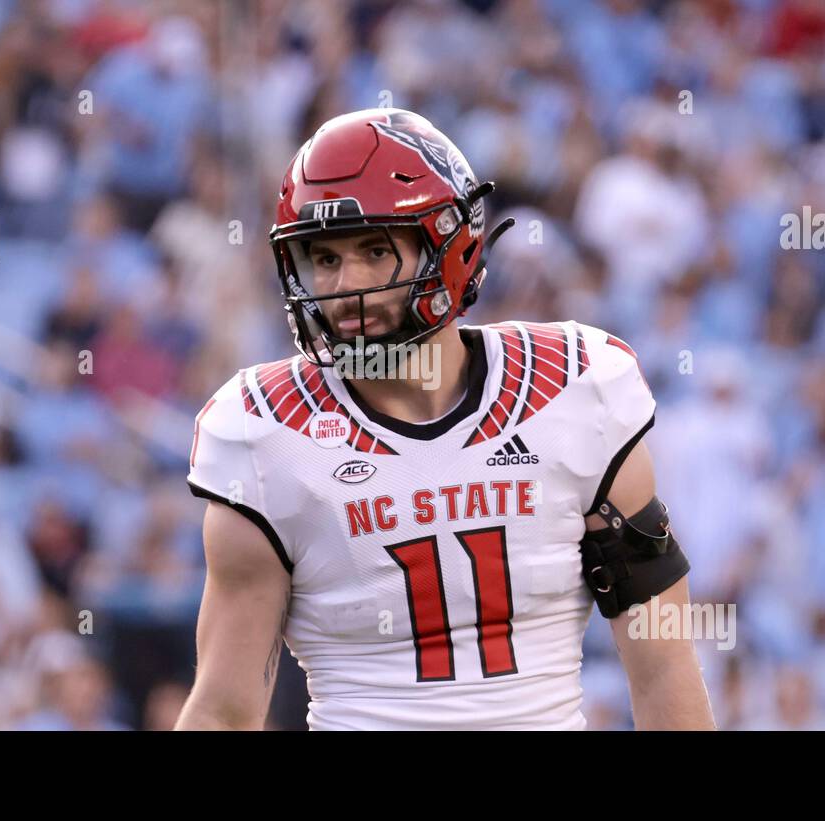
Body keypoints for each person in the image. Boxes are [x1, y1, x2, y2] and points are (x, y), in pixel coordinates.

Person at [177, 109, 715, 730]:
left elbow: (664, 664)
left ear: (450, 244)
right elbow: (224, 709)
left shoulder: (572, 390)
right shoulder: (269, 436)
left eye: (374, 251)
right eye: (322, 259)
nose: (344, 286)